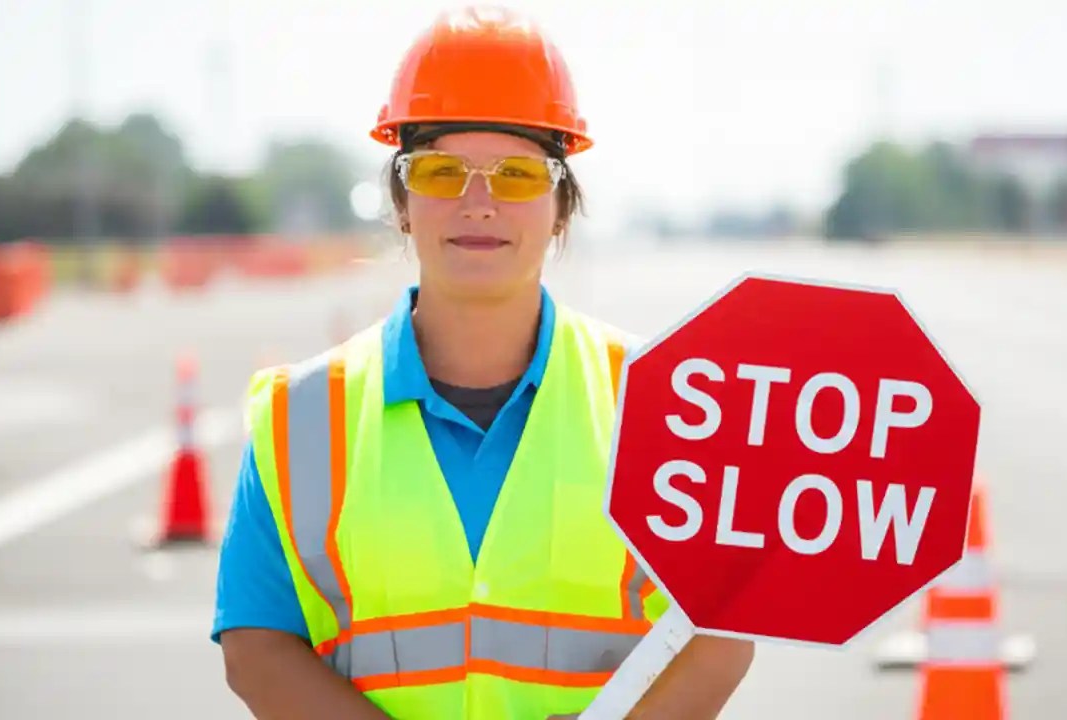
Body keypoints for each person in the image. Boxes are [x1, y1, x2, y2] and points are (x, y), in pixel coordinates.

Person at [211, 6, 755, 719]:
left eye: (518, 176)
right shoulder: (301, 418)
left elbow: (722, 630)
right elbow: (257, 644)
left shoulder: (664, 401)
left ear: (562, 206)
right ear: (402, 203)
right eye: (440, 170)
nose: (479, 202)